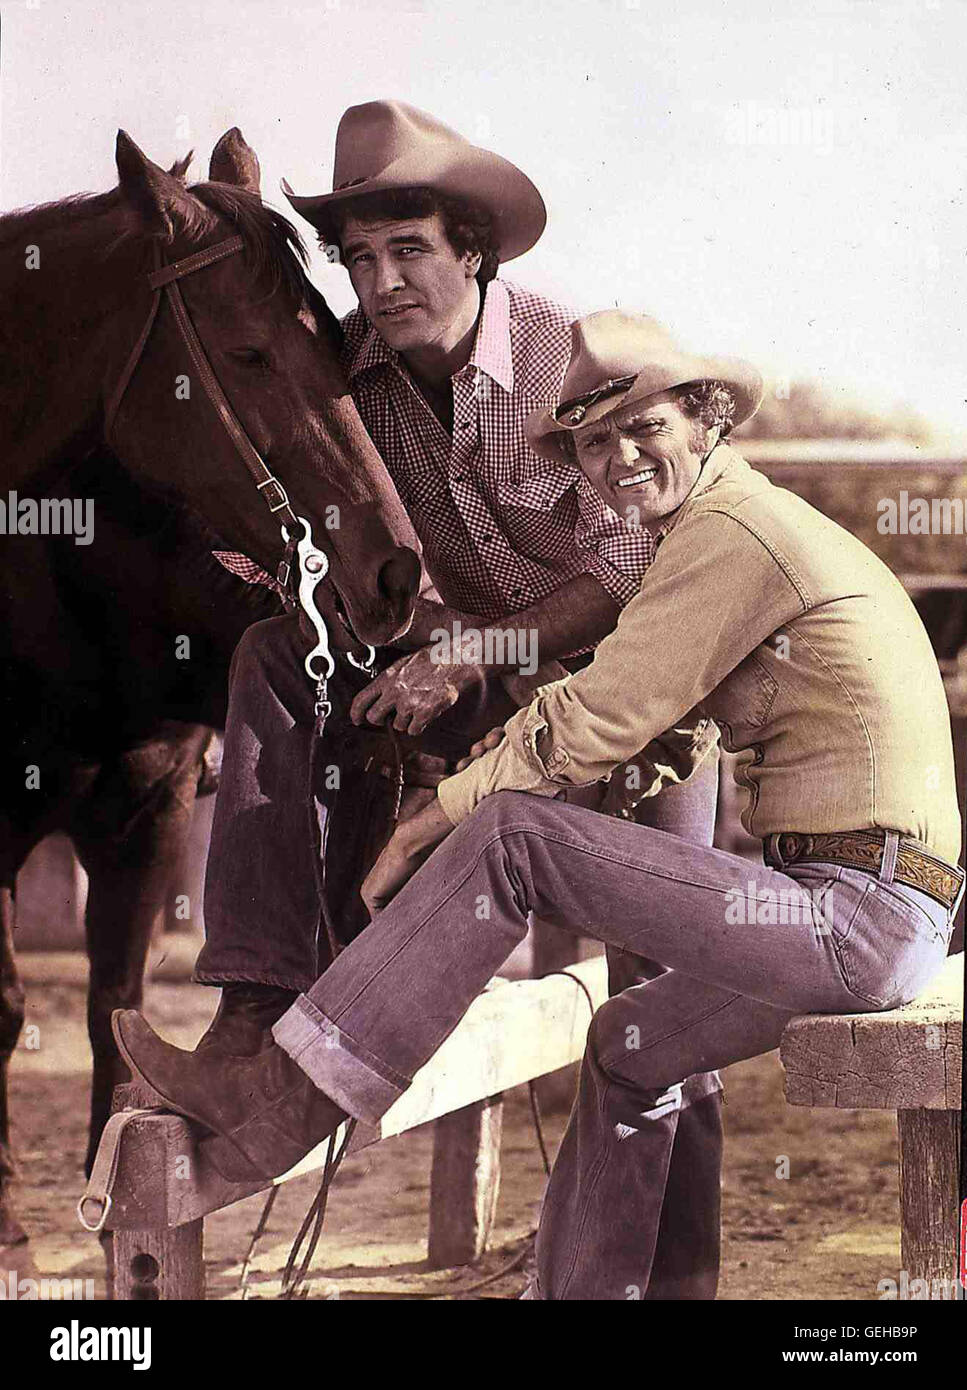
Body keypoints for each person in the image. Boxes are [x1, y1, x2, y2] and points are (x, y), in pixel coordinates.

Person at [116, 309, 963, 1299]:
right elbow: (645, 729)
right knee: (629, 1044)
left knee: (513, 836)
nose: (618, 458)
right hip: (870, 911)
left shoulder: (731, 535)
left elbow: (600, 713)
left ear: (704, 421)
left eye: (643, 427)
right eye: (593, 442)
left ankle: (284, 1100)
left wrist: (433, 821)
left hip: (854, 915)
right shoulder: (720, 533)